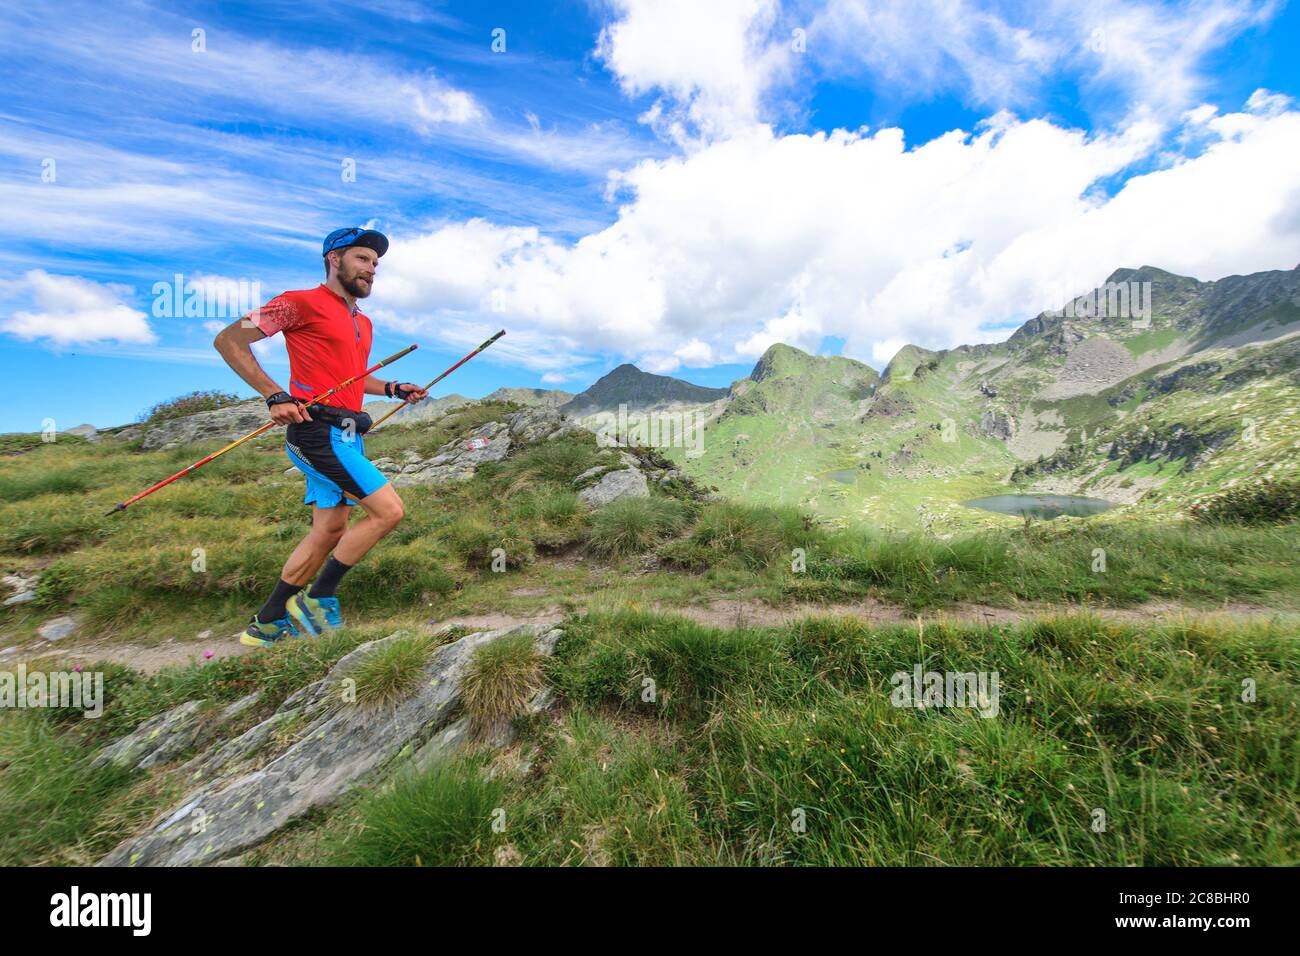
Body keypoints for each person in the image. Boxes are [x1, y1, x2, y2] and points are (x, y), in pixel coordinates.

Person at [213, 227, 428, 646]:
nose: (371, 270)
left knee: (328, 531)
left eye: (375, 264)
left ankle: (270, 621)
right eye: (363, 259)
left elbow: (353, 378)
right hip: (315, 433)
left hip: (349, 433)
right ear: (335, 259)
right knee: (388, 512)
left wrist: (394, 388)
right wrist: (274, 395)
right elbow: (229, 339)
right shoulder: (299, 303)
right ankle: (319, 599)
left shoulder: (361, 322)